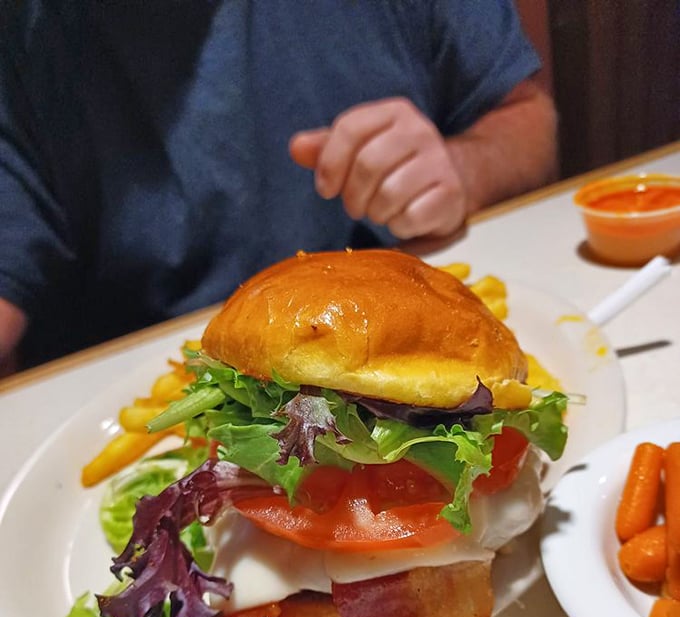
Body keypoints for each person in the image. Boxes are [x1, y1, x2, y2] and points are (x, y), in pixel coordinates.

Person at [0, 1, 557, 375]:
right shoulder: (24, 40)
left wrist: (462, 169)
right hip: (171, 415)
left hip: (424, 345)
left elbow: (530, 121)